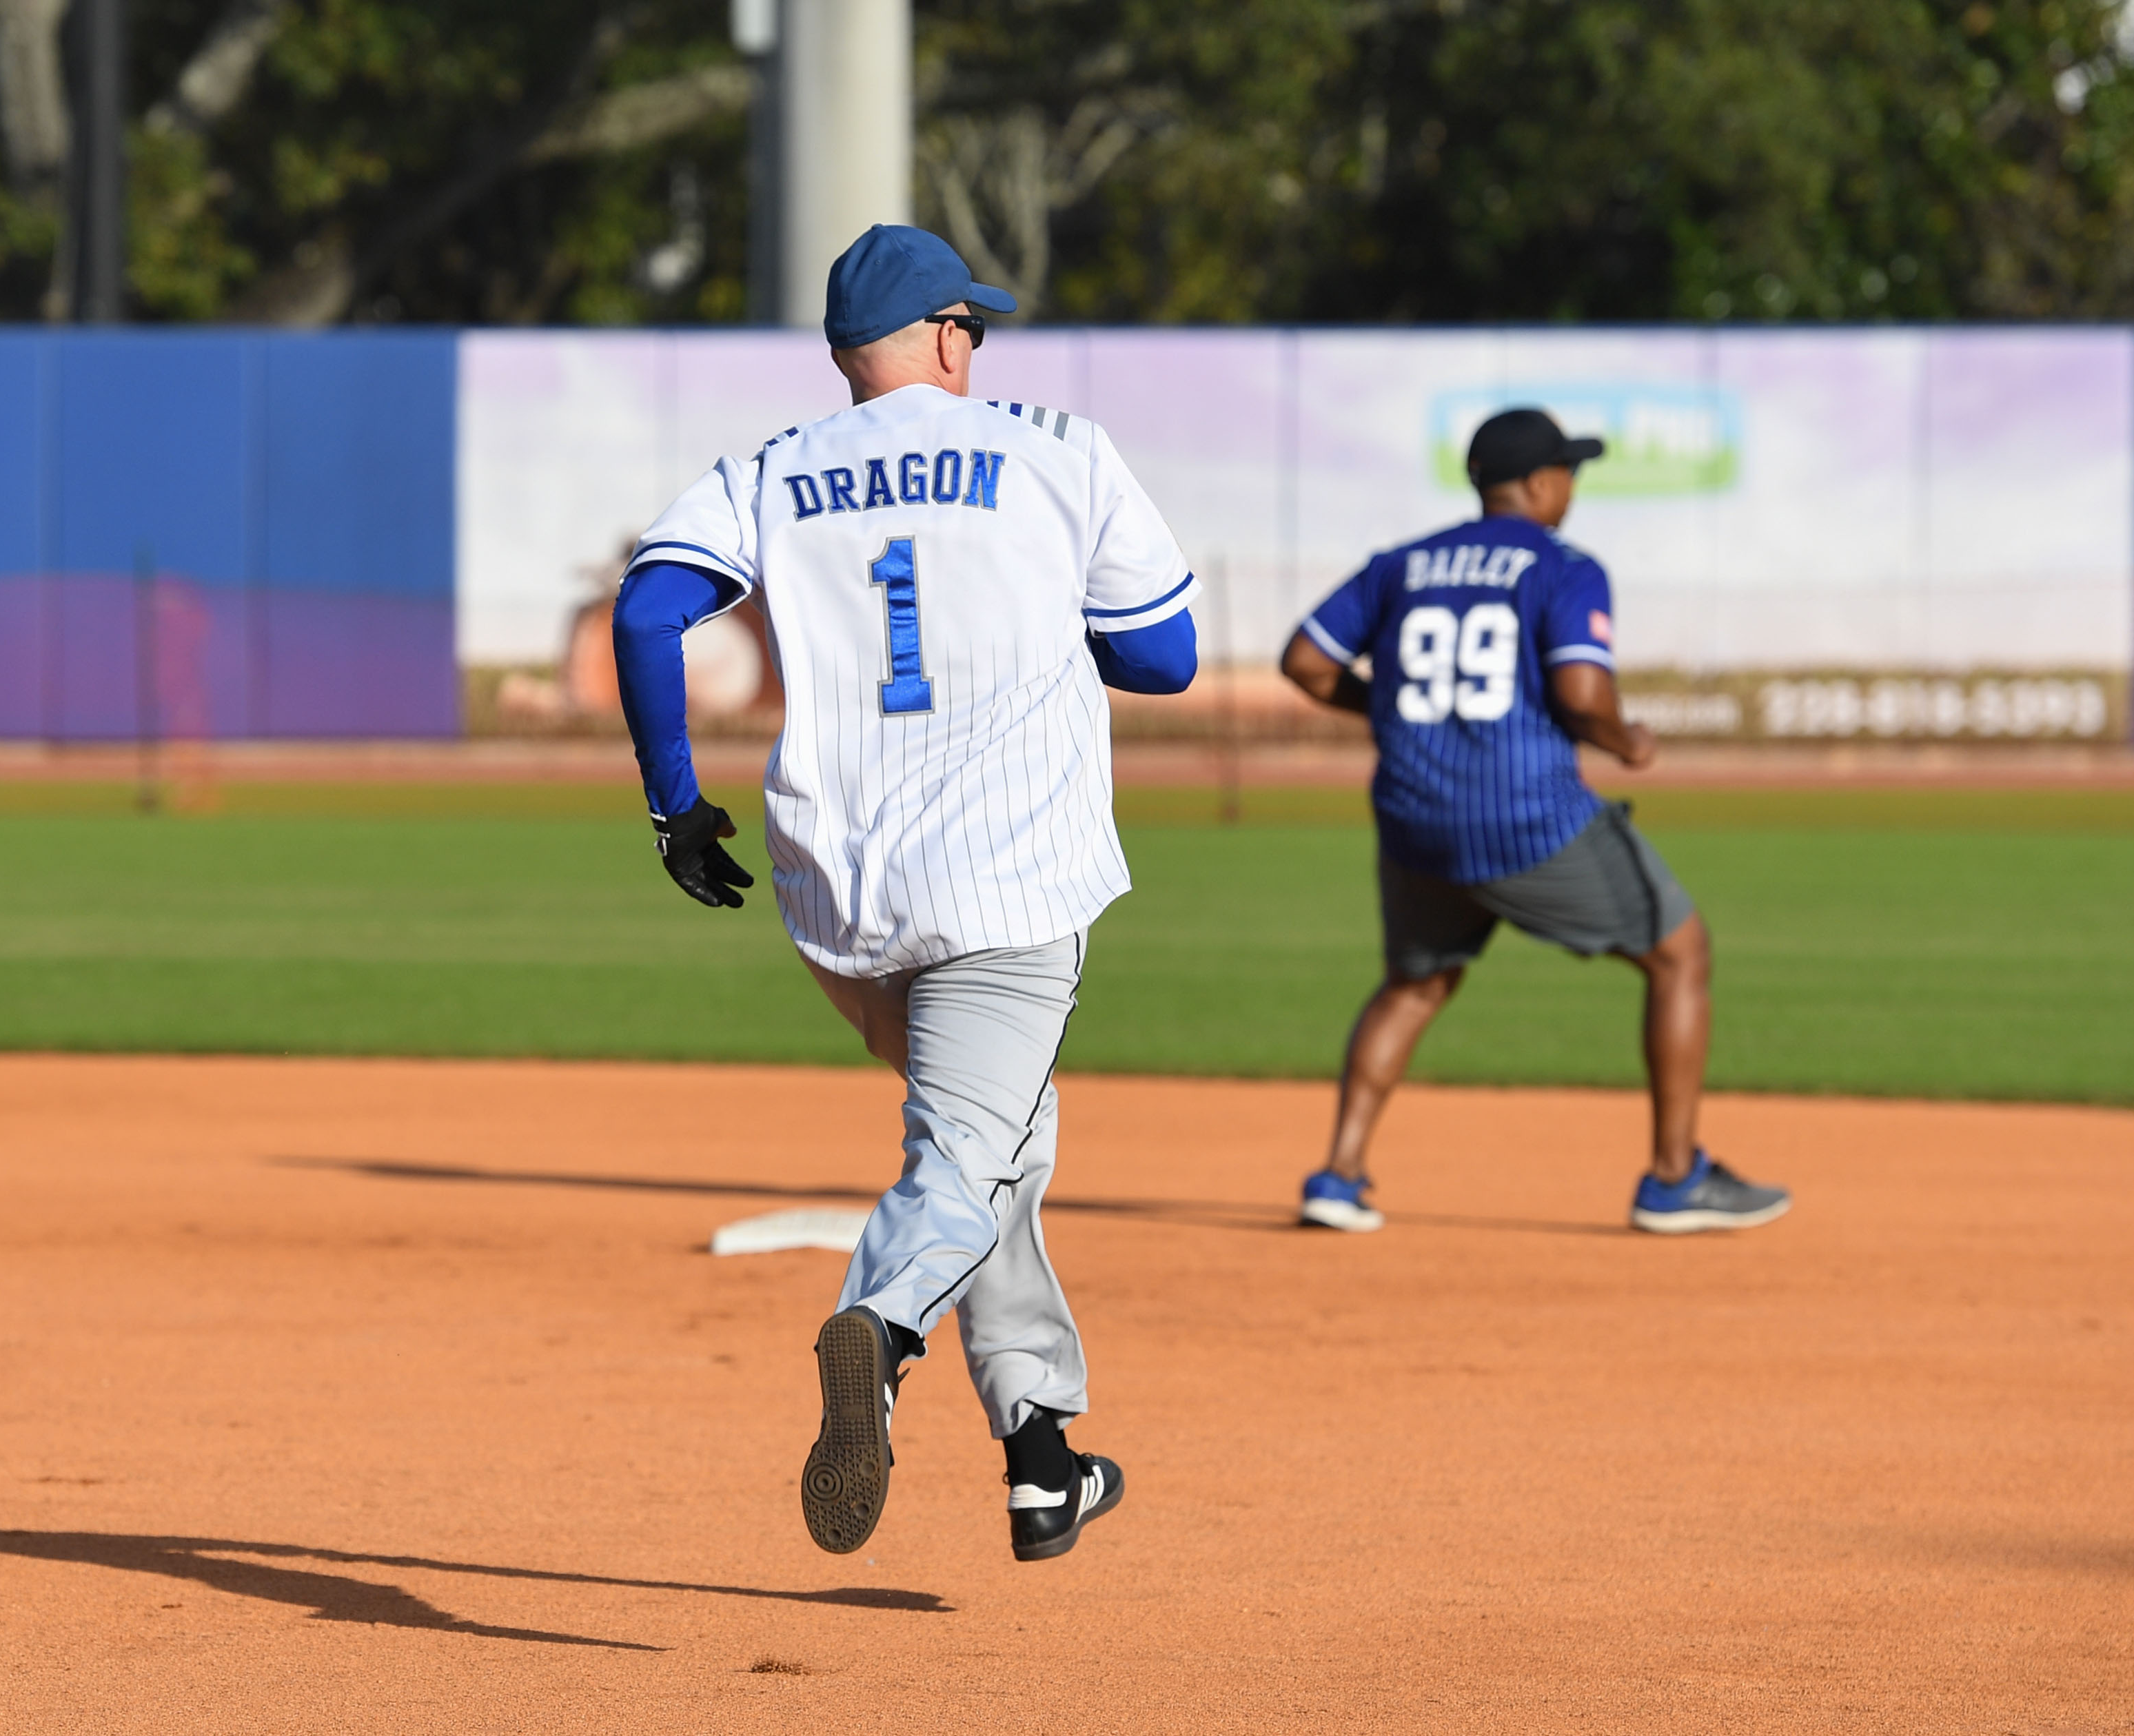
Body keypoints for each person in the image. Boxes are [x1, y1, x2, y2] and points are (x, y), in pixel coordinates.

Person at [611, 225, 1200, 1562]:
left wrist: (674, 807)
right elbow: (1165, 655)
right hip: (1006, 879)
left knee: (1004, 1140)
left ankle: (1042, 1453)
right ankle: (877, 1331)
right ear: (944, 335)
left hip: (837, 892)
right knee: (962, 1155)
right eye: (970, 325)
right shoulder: (1057, 449)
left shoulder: (773, 468)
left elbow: (646, 615)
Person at [1279, 407, 1789, 1237]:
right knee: (1680, 953)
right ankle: (1674, 1178)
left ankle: (1338, 1175)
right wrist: (1627, 740)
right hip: (1528, 817)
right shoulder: (1564, 566)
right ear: (1542, 482)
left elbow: (1305, 661)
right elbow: (1583, 695)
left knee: (1414, 984)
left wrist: (1395, 711)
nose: (1572, 488)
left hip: (1415, 815)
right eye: (1569, 473)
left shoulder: (1401, 564)